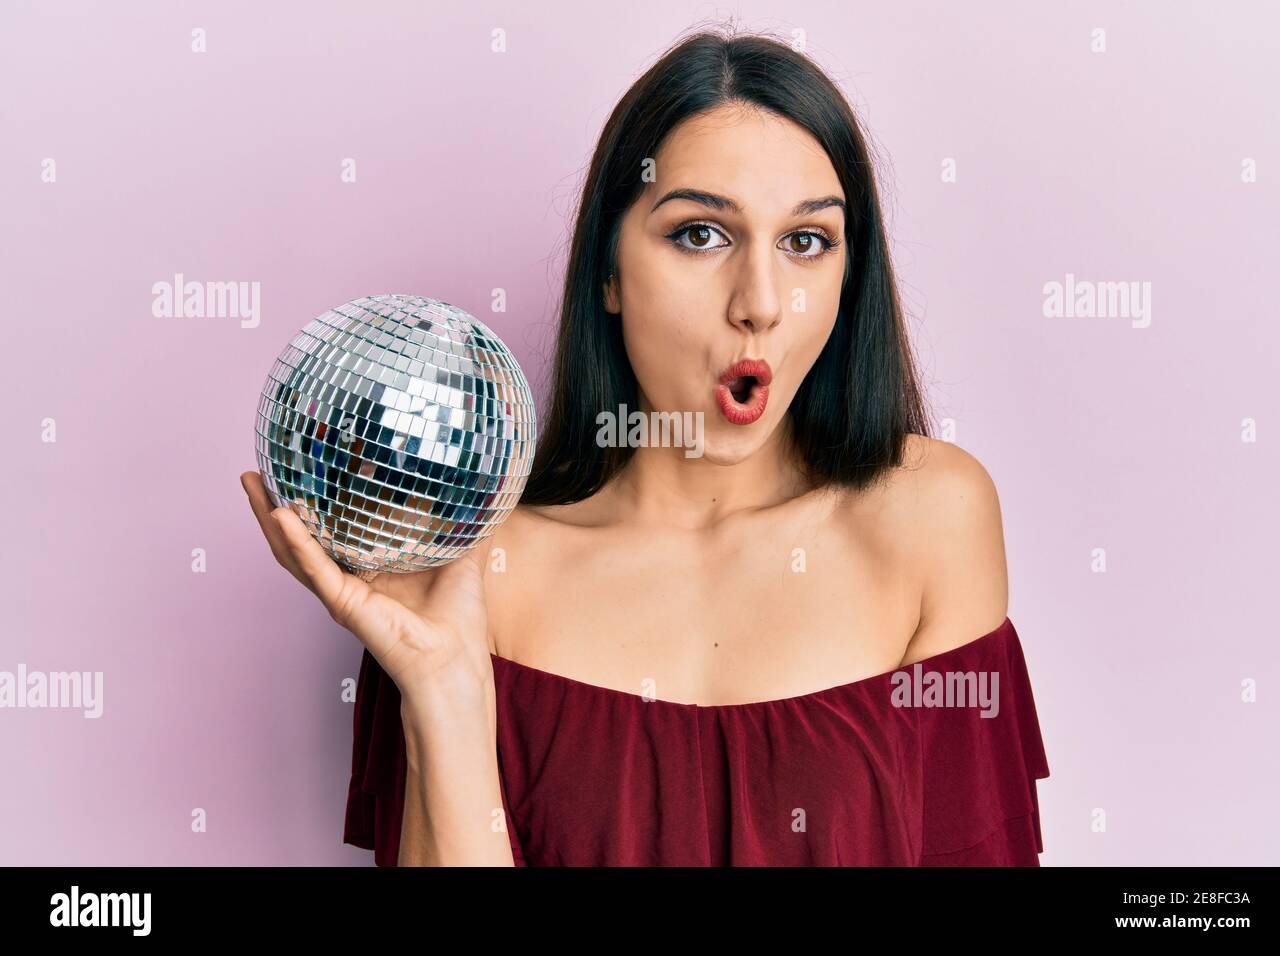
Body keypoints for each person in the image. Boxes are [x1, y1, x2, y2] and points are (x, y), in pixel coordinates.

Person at [241, 28, 1049, 866]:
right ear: (609, 274)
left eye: (806, 241)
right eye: (701, 234)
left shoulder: (928, 519)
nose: (761, 304)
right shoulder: (470, 571)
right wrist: (442, 690)